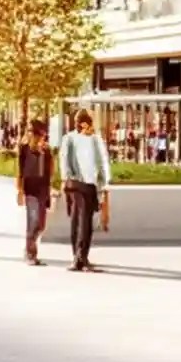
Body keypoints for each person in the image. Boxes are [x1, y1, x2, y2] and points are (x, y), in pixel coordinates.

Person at [59, 110, 110, 272]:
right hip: (78, 184)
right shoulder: (71, 139)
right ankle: (80, 258)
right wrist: (67, 178)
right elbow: (64, 161)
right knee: (81, 221)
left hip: (87, 185)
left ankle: (79, 257)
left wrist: (103, 186)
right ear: (84, 124)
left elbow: (102, 163)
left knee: (81, 221)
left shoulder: (95, 140)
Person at [17, 120, 53, 266]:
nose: (33, 136)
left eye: (37, 134)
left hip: (43, 189)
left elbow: (50, 171)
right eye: (30, 132)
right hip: (30, 189)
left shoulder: (46, 151)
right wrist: (20, 190)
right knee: (33, 221)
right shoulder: (24, 149)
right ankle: (30, 253)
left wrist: (51, 188)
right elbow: (19, 171)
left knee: (41, 224)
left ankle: (30, 249)